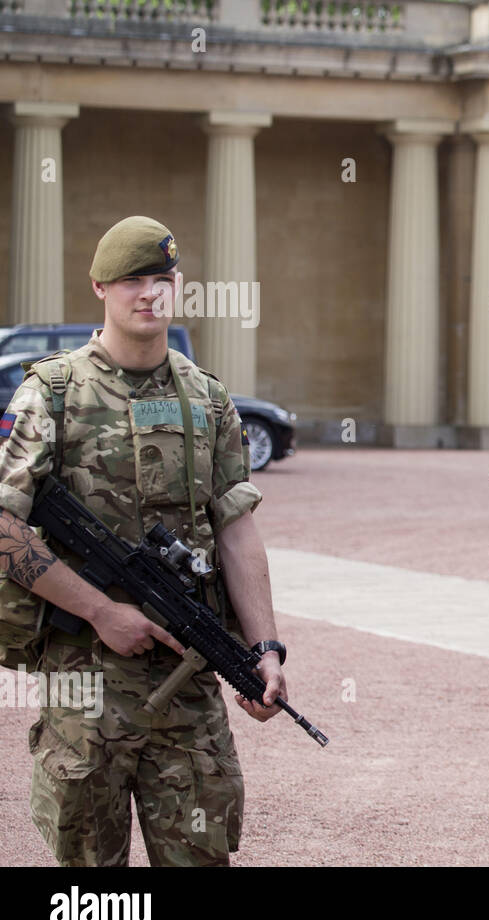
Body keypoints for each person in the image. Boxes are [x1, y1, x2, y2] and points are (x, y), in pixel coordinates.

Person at [0, 215, 287, 866]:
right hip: (84, 684)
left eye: (162, 279)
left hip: (186, 688)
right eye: (134, 280)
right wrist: (101, 609)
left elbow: (237, 529)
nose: (149, 293)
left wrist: (263, 648)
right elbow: (4, 524)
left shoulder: (208, 398)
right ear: (100, 286)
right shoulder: (55, 392)